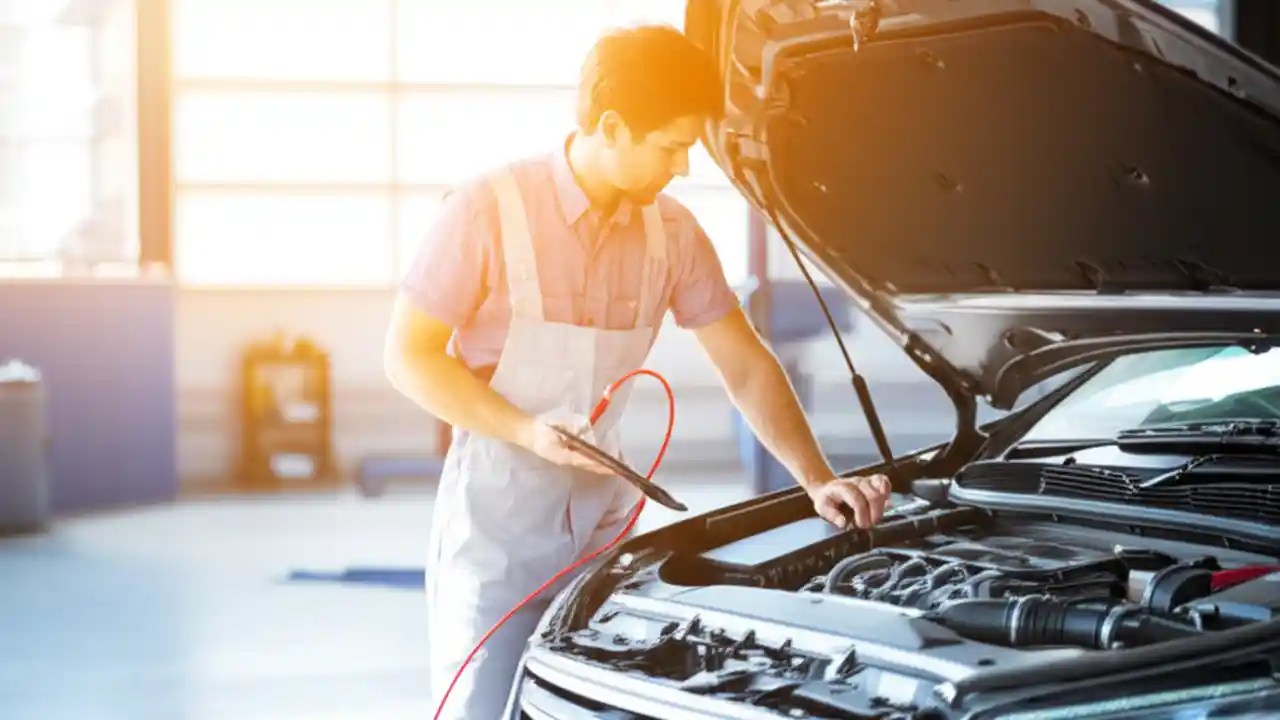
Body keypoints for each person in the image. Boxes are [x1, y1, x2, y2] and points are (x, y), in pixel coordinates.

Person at [384, 23, 892, 719]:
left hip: (607, 520)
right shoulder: (486, 210)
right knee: (485, 704)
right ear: (613, 126)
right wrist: (526, 431)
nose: (682, 166)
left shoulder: (673, 234)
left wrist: (816, 478)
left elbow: (743, 362)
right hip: (496, 521)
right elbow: (407, 357)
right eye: (671, 146)